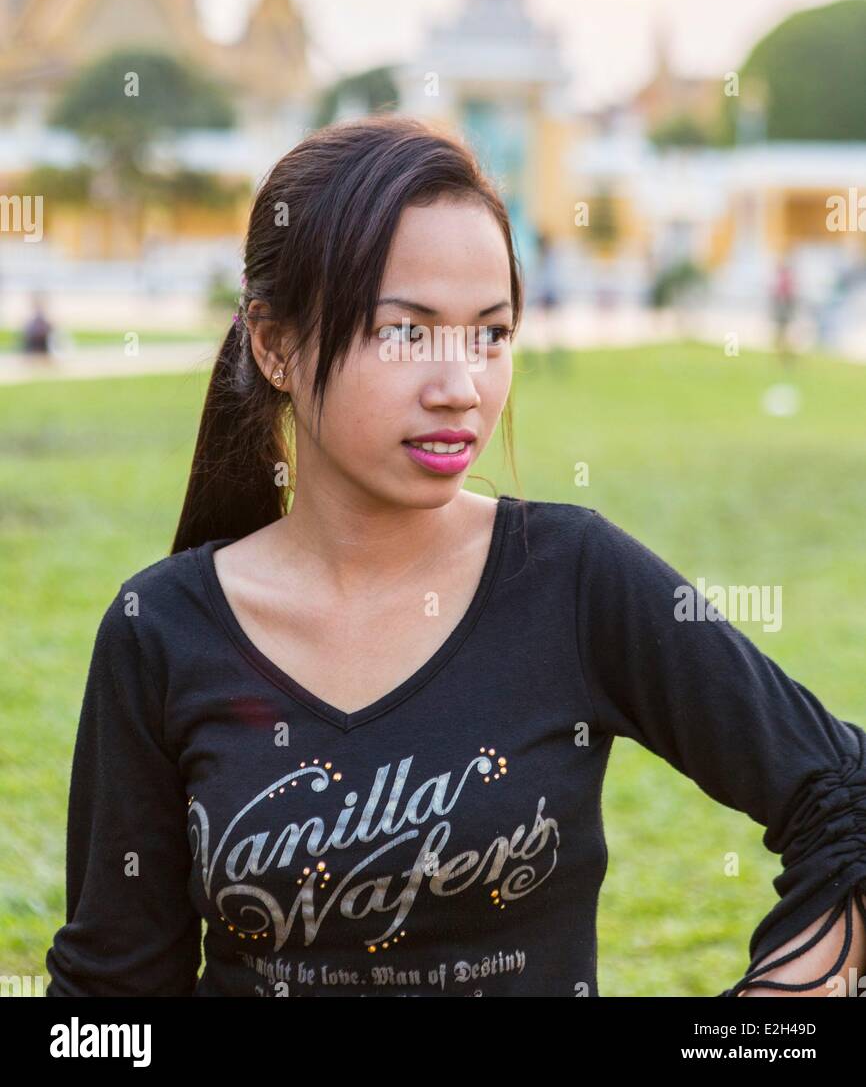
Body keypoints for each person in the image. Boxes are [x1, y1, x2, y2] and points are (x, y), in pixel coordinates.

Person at [45, 115, 866, 998]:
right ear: (274, 343)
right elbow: (111, 994)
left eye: (492, 333)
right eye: (407, 331)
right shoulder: (160, 631)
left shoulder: (572, 579)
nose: (461, 387)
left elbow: (841, 799)